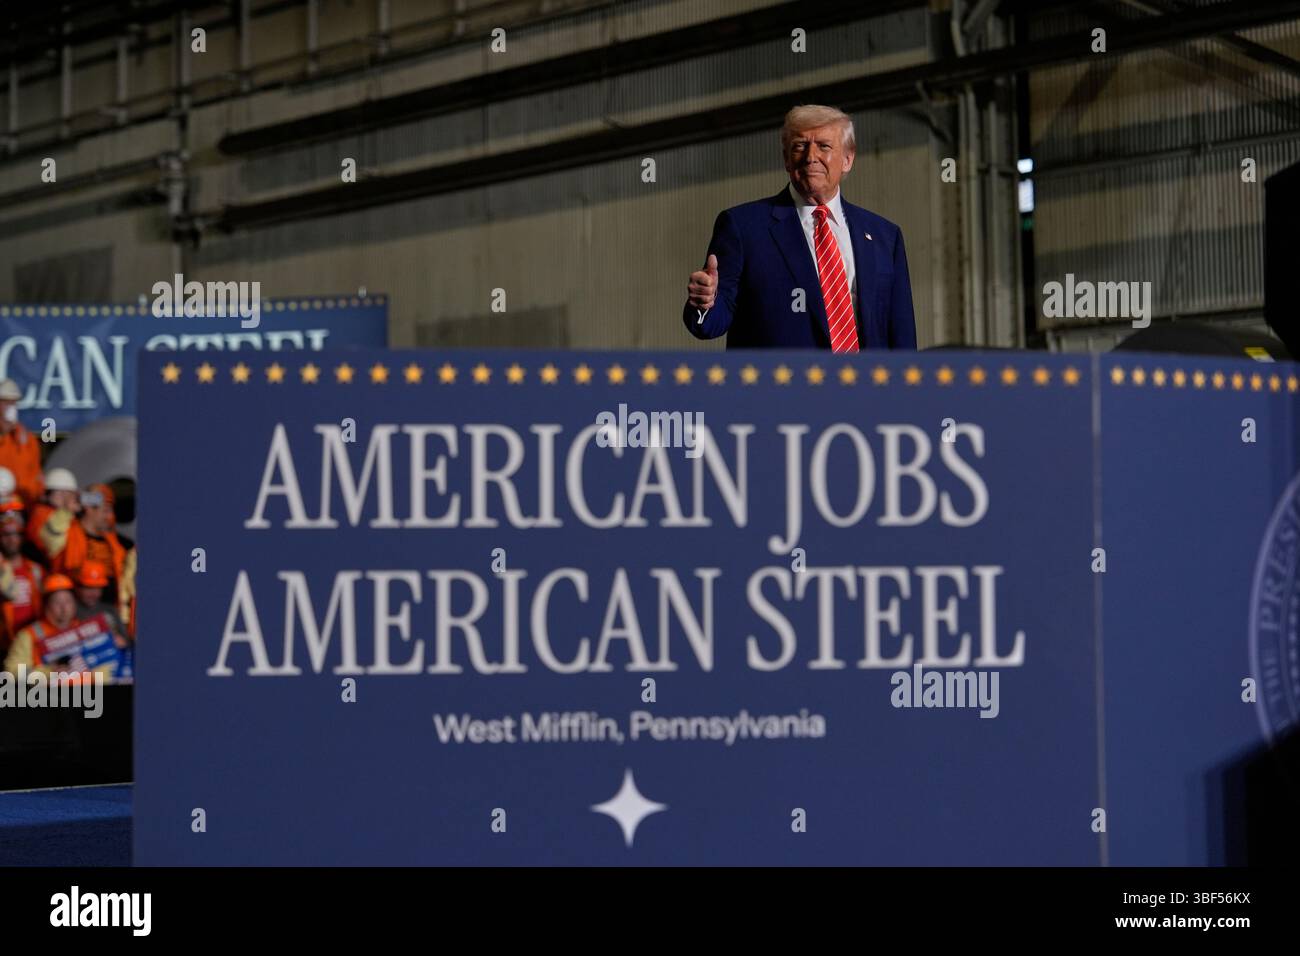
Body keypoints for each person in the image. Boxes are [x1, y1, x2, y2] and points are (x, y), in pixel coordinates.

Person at [683, 104, 916, 351]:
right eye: (799, 146)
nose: (810, 156)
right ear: (786, 159)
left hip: (865, 387)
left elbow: (902, 338)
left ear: (848, 159)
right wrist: (704, 304)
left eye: (824, 146)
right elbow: (712, 323)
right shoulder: (743, 227)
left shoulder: (884, 236)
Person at [3, 573, 79, 674]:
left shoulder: (84, 628)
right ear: (46, 605)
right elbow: (12, 670)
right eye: (57, 602)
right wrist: (48, 673)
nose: (64, 608)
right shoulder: (29, 635)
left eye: (68, 601)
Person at [0, 498, 44, 660]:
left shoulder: (35, 570)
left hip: (32, 642)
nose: (11, 540)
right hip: (3, 644)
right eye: (6, 535)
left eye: (16, 534)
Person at [0, 378, 43, 507]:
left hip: (21, 508)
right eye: (5, 402)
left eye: (13, 402)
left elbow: (34, 480)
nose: (10, 407)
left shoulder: (27, 439)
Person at [27, 467, 79, 556]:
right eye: (59, 492)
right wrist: (65, 512)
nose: (65, 497)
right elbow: (47, 545)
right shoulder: (40, 513)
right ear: (47, 494)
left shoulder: (73, 516)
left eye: (68, 492)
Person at [72, 560, 127, 644]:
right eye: (88, 587)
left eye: (98, 588)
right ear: (78, 588)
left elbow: (127, 641)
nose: (94, 593)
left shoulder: (110, 610)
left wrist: (122, 642)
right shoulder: (70, 611)